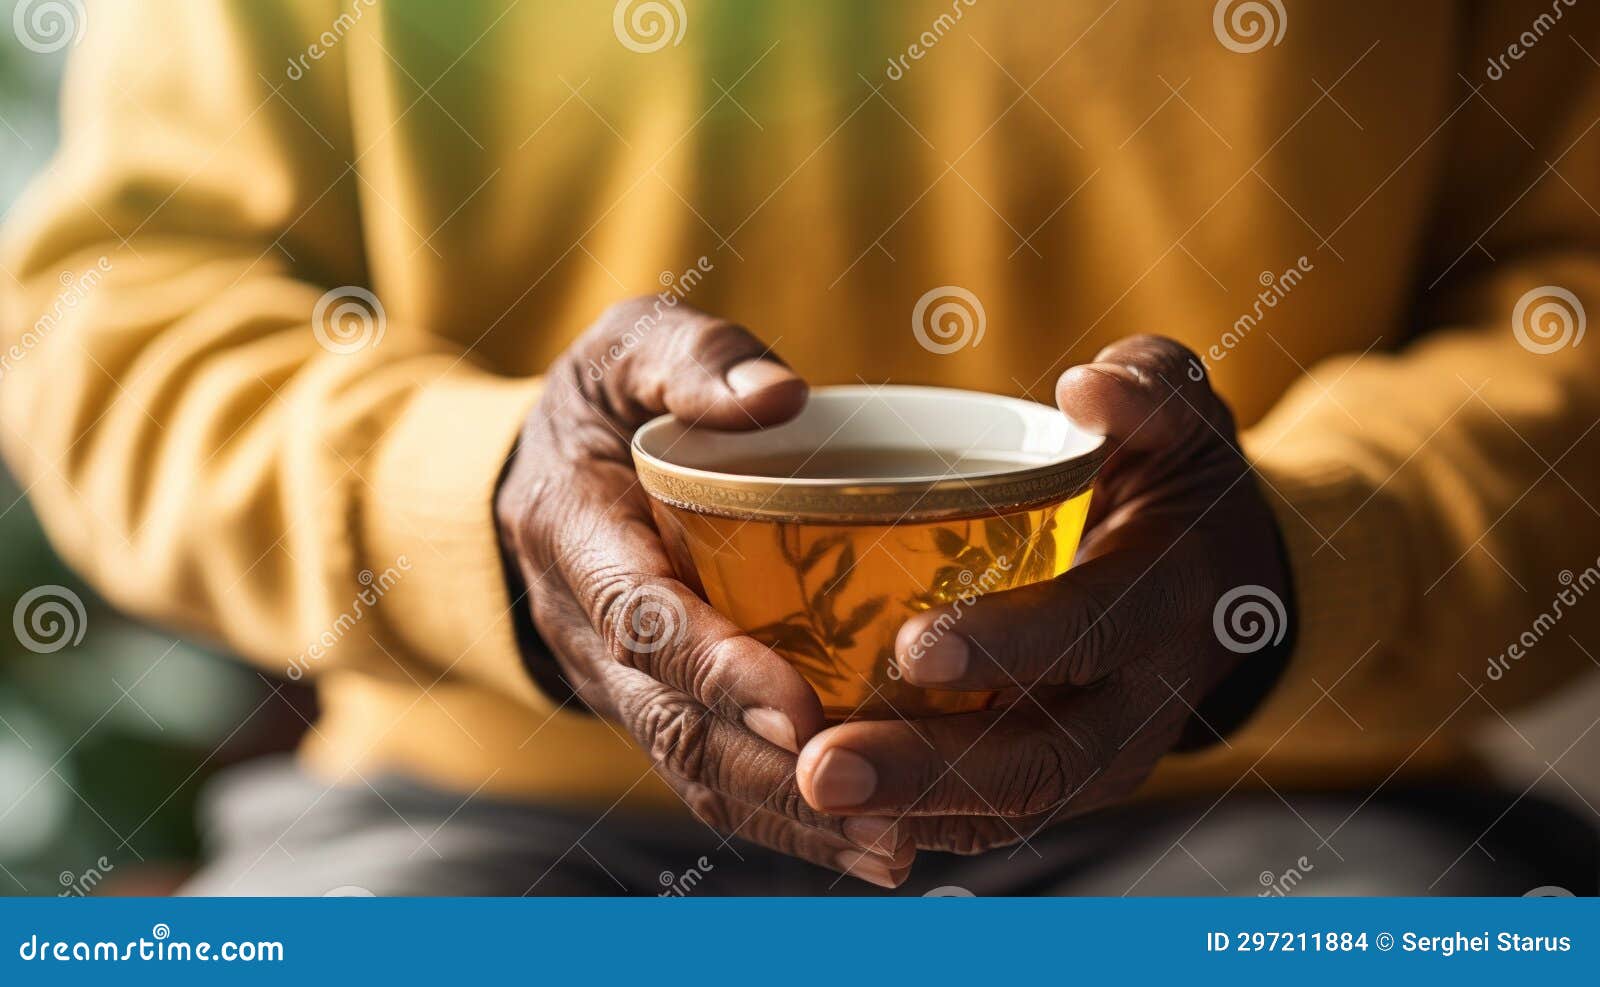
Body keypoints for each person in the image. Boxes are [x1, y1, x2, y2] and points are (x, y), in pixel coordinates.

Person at [3, 0, 1598, 896]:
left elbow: (1568, 291)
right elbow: (120, 310)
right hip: (469, 813)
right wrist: (480, 515)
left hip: (1285, 806)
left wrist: (1293, 567)